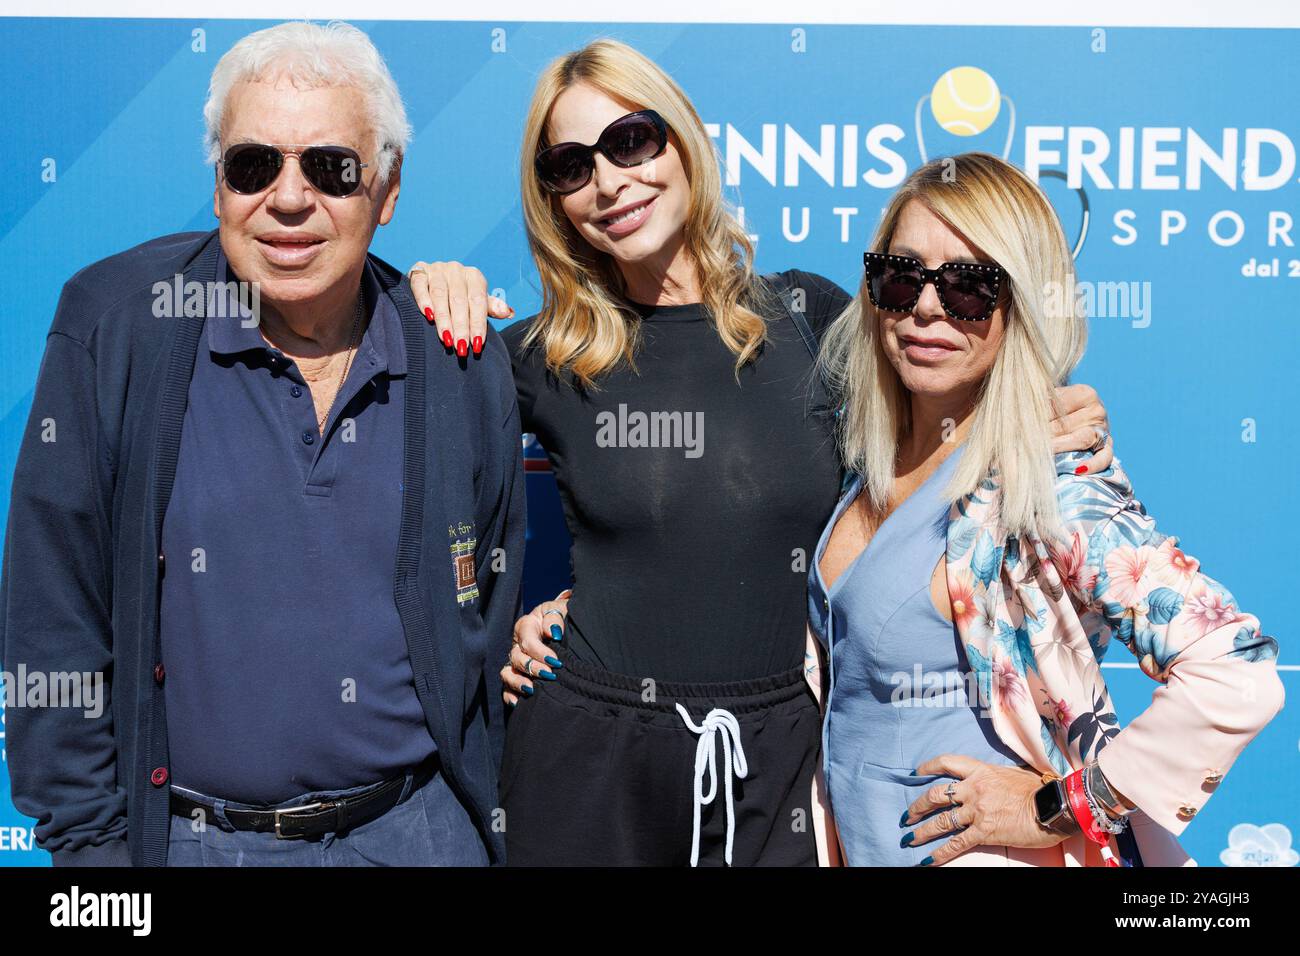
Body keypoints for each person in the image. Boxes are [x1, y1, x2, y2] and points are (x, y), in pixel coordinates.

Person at [410, 39, 1113, 866]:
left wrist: (1054, 414)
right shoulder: (540, 357)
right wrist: (419, 288)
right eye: (570, 165)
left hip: (778, 767)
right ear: (552, 197)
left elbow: (956, 374)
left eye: (631, 141)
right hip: (587, 763)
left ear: (683, 141)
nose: (608, 181)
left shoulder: (811, 318)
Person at [0, 20, 524, 867]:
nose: (288, 198)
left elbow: (485, 604)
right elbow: (53, 621)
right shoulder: (116, 327)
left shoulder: (455, 356)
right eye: (254, 165)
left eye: (331, 168)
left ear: (386, 190)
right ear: (218, 187)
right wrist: (94, 857)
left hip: (420, 835)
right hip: (187, 847)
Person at [808, 152, 1283, 866]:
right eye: (902, 276)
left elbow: (1234, 672)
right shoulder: (858, 458)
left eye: (970, 287)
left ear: (1022, 305)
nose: (928, 308)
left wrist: (1064, 807)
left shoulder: (1052, 478)